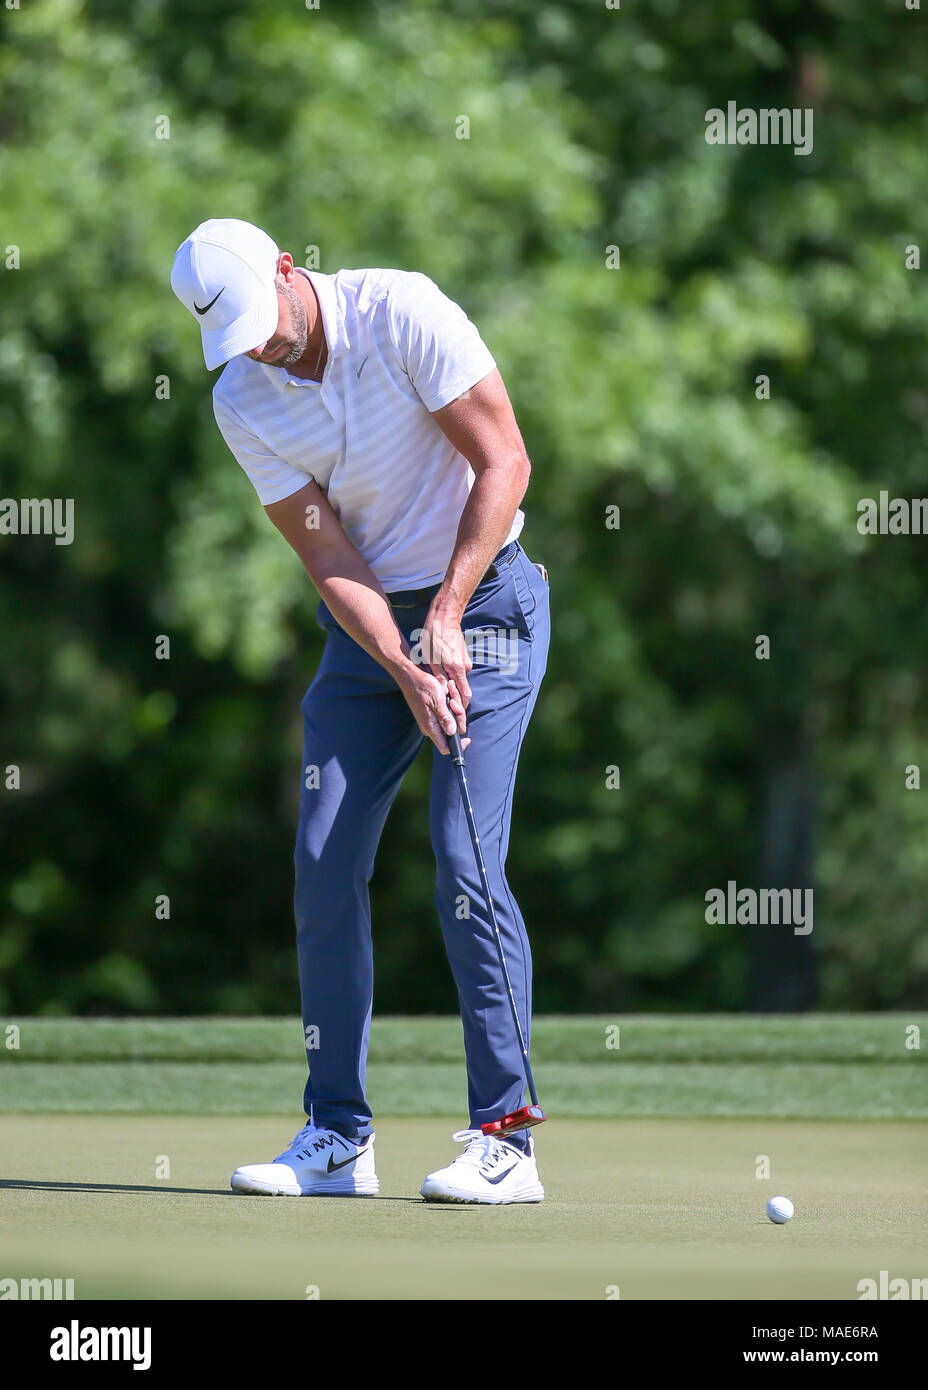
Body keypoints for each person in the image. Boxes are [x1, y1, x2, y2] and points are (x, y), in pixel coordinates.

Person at [171, 219, 550, 1203]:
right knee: (323, 862)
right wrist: (403, 655)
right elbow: (328, 556)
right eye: (240, 339)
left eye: (266, 322)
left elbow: (505, 460)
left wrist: (450, 620)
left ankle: (507, 1136)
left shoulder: (403, 313)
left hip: (490, 606)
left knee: (466, 862)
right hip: (371, 630)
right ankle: (338, 1132)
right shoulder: (241, 399)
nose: (264, 347)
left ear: (290, 270)